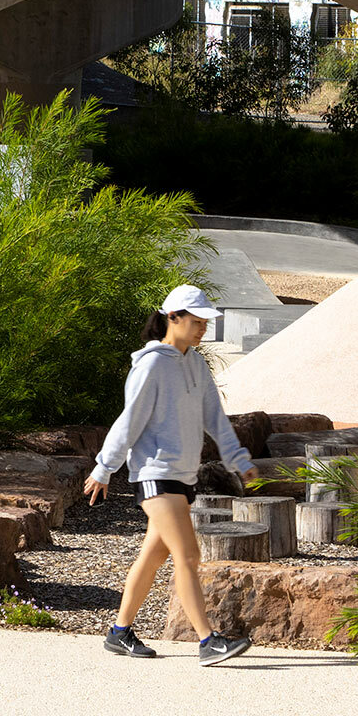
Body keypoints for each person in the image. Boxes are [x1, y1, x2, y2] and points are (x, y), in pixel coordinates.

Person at [83, 284, 260, 667]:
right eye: (195, 322)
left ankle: (119, 632)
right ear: (172, 318)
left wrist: (237, 457)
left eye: (205, 323)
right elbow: (129, 421)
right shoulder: (151, 364)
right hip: (154, 472)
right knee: (188, 554)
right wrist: (104, 468)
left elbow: (215, 417)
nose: (202, 330)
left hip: (182, 475)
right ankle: (208, 641)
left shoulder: (195, 363)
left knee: (154, 554)